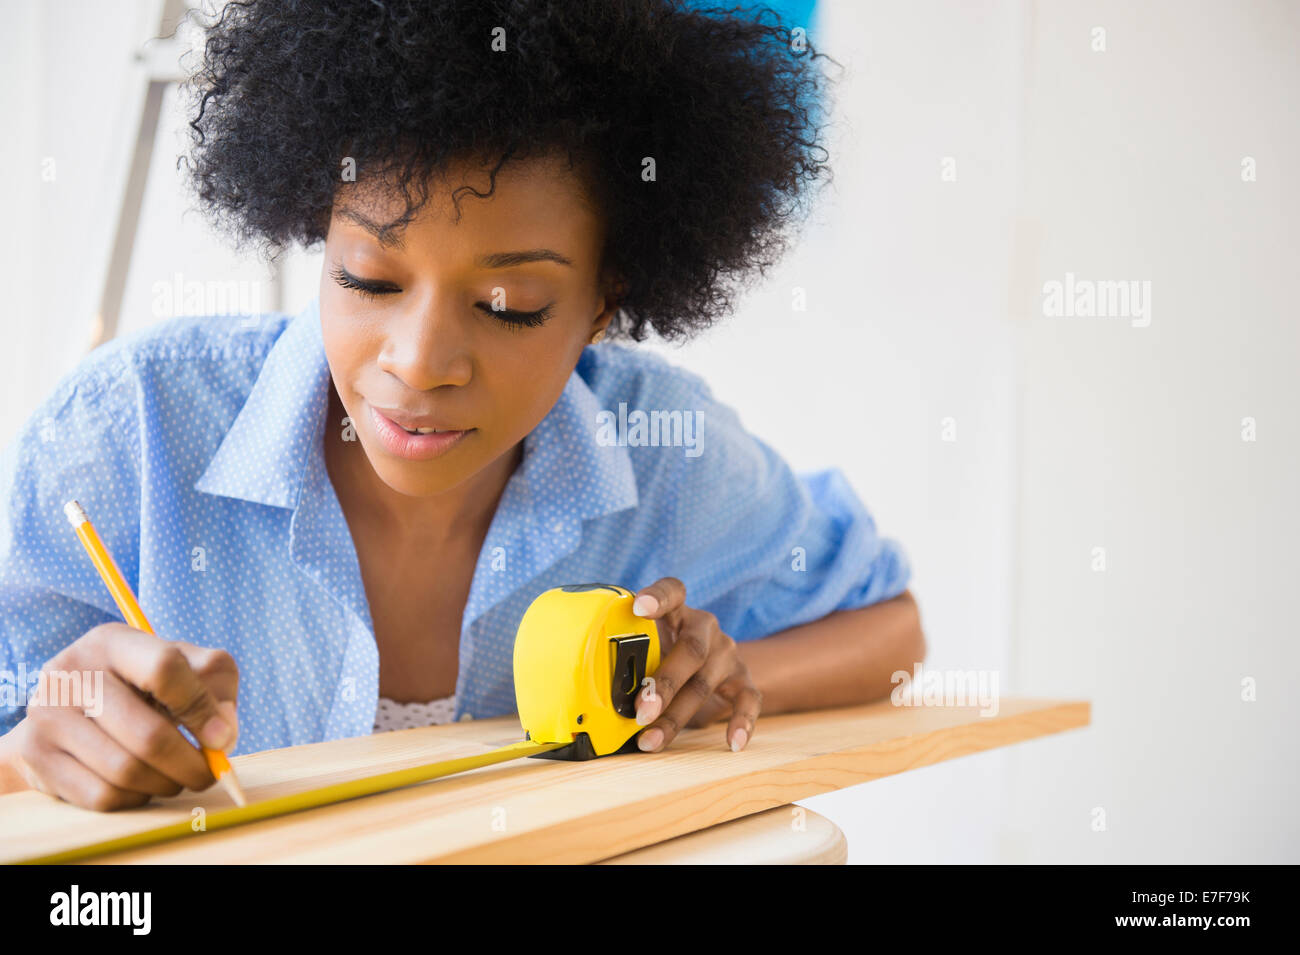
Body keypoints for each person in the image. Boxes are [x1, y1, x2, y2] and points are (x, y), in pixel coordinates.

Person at [0, 0, 923, 811]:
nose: (420, 362)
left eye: (508, 308)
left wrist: (715, 684)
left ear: (605, 302)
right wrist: (37, 748)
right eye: (366, 278)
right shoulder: (130, 430)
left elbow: (895, 631)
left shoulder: (659, 449)